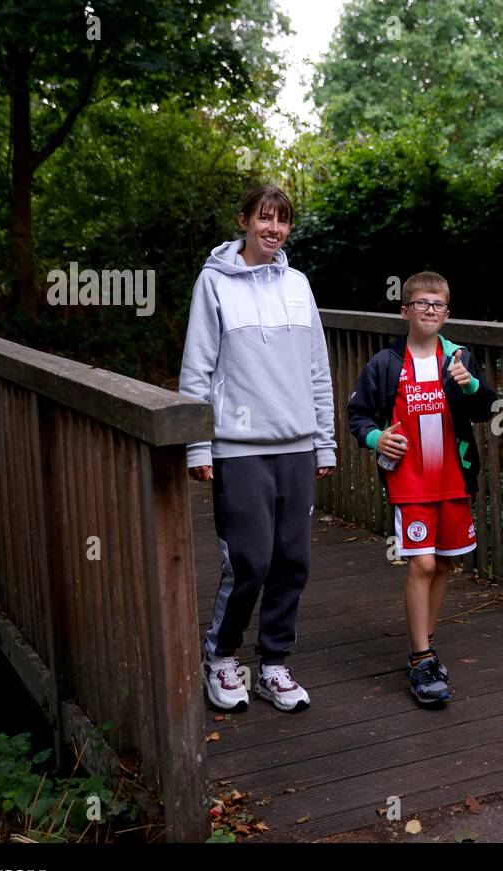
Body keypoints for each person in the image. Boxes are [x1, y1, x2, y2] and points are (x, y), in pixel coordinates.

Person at [179, 184, 335, 713]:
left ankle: (273, 664)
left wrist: (324, 442)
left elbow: (318, 369)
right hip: (238, 447)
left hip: (295, 445)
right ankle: (221, 657)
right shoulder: (214, 284)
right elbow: (197, 367)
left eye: (283, 220)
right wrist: (198, 445)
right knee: (248, 559)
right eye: (264, 218)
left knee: (293, 559)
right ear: (244, 220)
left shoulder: (298, 284)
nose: (274, 228)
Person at [347, 271, 497, 704]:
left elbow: (486, 407)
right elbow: (359, 415)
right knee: (423, 566)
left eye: (438, 305)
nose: (430, 311)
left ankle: (425, 645)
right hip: (409, 481)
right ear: (405, 310)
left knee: (447, 564)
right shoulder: (386, 363)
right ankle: (420, 658)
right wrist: (376, 438)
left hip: (454, 480)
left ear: (447, 313)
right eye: (421, 303)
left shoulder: (459, 358)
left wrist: (471, 385)